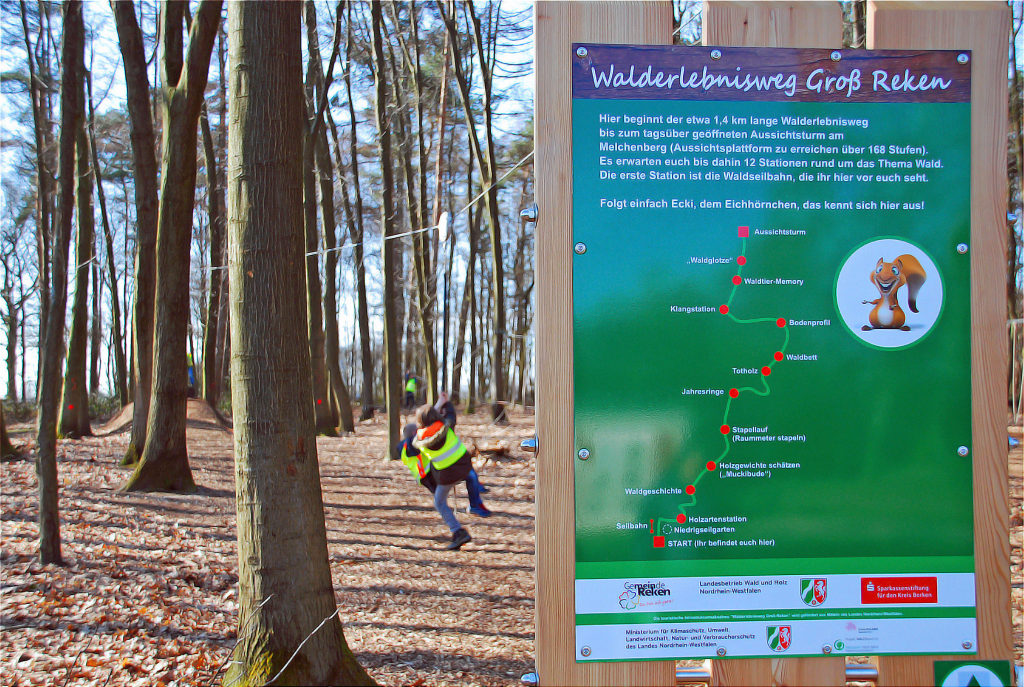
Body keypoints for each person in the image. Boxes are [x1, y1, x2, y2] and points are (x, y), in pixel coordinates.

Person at [413, 405, 488, 550]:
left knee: (439, 502)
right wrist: (443, 402)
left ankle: (458, 532)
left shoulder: (420, 440)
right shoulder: (448, 425)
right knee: (472, 478)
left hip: (448, 476)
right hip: (465, 466)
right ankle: (474, 504)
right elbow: (451, 413)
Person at [434, 391, 488, 494]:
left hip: (451, 445)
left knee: (467, 466)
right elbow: (427, 417)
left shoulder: (448, 411)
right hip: (441, 451)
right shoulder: (434, 412)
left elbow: (450, 422)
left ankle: (476, 488)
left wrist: (444, 405)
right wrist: (439, 404)